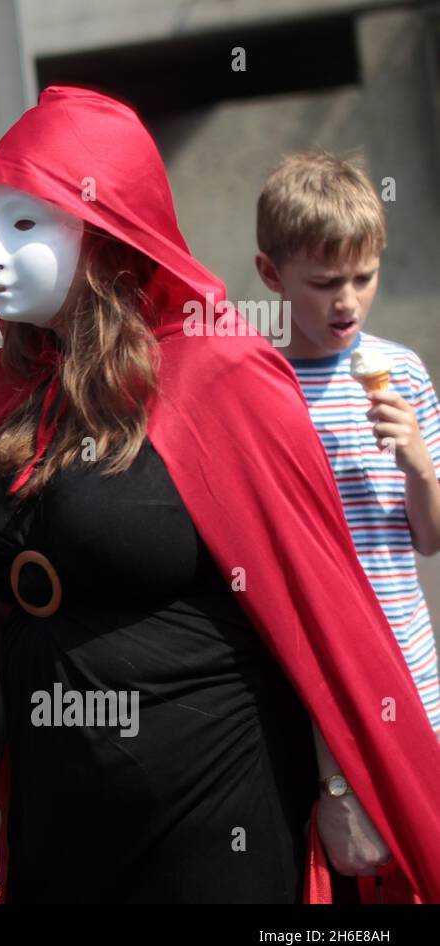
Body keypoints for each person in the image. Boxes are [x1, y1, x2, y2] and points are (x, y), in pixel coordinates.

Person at [0, 86, 440, 904]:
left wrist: (344, 789)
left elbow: (313, 597)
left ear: (106, 233)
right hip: (53, 805)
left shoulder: (219, 372)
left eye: (25, 224)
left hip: (212, 805)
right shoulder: (4, 389)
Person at [256, 151, 440, 732]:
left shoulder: (404, 372)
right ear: (270, 274)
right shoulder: (259, 383)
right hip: (313, 669)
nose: (348, 301)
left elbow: (431, 538)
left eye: (364, 277)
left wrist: (417, 464)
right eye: (326, 282)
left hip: (408, 664)